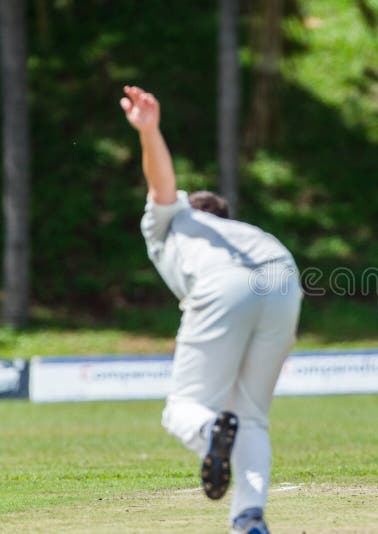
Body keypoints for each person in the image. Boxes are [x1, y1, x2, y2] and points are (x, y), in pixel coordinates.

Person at [121, 85, 302, 534]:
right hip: (284, 274)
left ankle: (210, 434)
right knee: (252, 416)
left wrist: (149, 131)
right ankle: (249, 518)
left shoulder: (169, 221)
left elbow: (161, 183)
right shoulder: (241, 231)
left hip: (226, 285)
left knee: (183, 407)